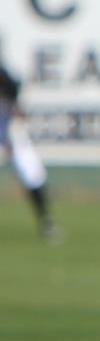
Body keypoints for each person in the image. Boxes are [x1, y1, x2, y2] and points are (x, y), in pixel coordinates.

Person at [0, 60, 60, 243]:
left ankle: (45, 221)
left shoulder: (4, 76)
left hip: (9, 129)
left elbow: (15, 95)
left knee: (31, 174)